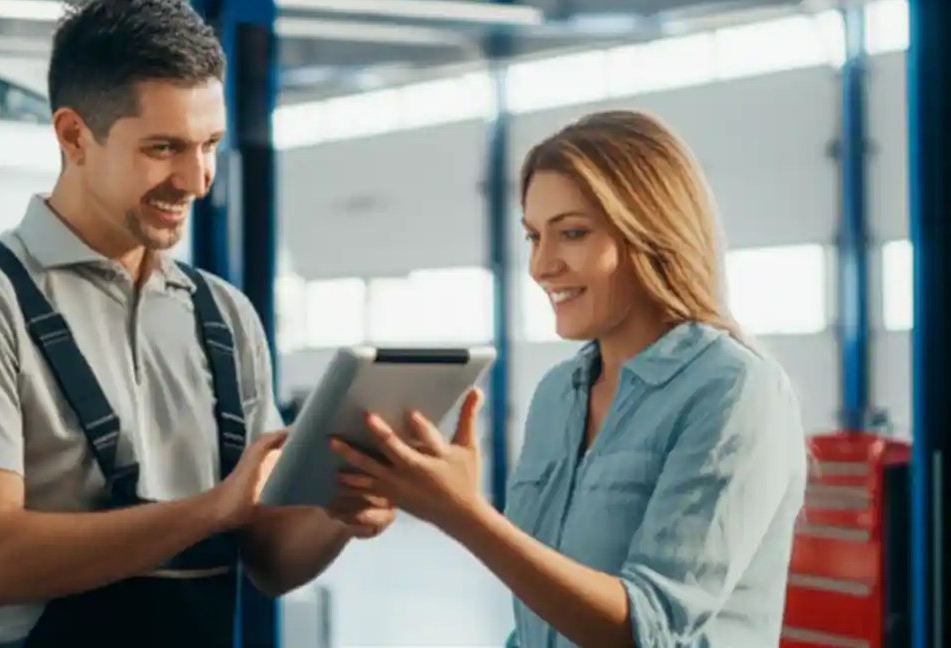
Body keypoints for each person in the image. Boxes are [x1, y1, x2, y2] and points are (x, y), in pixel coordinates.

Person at [0, 0, 395, 648]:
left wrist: (344, 510)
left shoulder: (225, 316)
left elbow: (270, 559)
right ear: (74, 136)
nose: (197, 179)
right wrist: (211, 510)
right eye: (163, 148)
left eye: (209, 144)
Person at [330, 110, 808, 647]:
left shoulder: (734, 391)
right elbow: (538, 625)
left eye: (572, 233)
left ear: (651, 233)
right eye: (534, 236)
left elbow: (646, 631)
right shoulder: (558, 394)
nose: (541, 266)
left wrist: (463, 513)